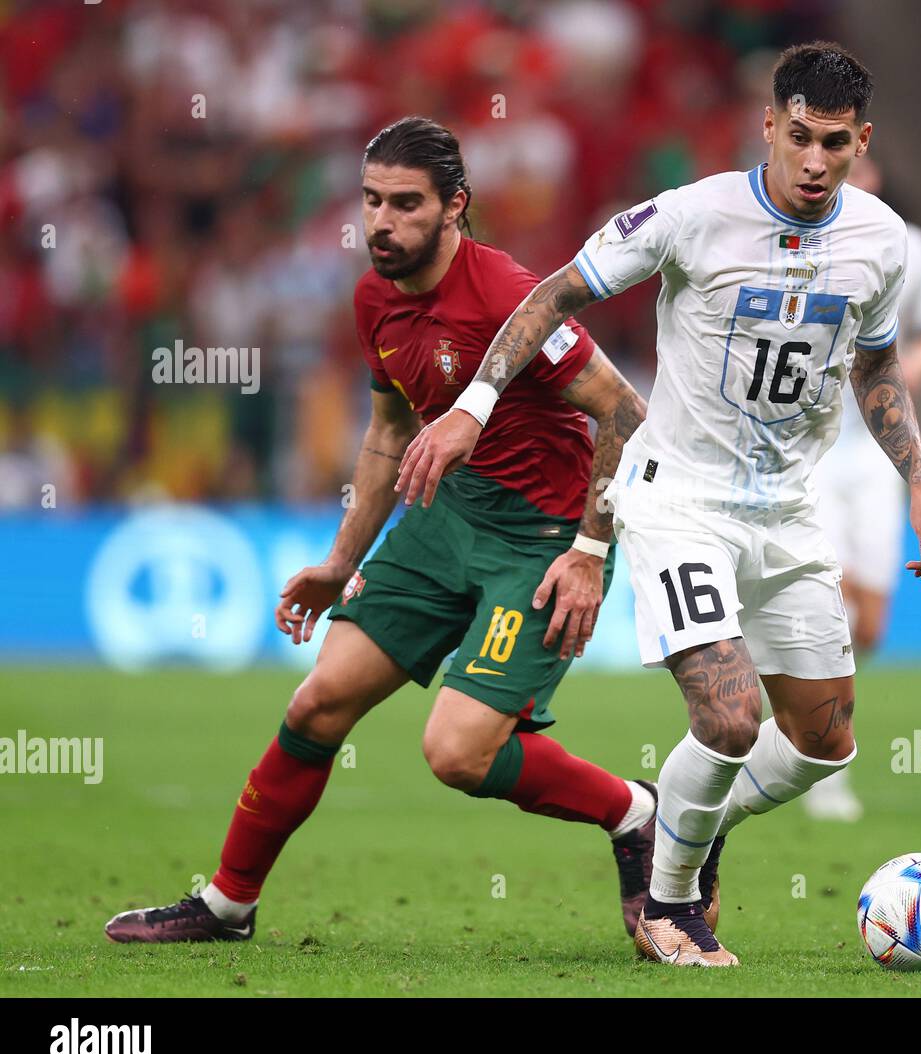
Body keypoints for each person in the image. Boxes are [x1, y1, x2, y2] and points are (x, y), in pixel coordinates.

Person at [396, 42, 921, 967]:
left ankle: (685, 825)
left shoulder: (882, 240)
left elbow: (876, 362)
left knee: (824, 745)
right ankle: (670, 903)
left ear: (864, 141)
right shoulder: (691, 217)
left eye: (837, 145)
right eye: (802, 138)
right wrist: (472, 405)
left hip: (788, 509)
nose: (816, 163)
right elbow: (552, 295)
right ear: (769, 125)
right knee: (731, 718)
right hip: (678, 500)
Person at [105, 117, 657, 944]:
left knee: (458, 753)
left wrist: (589, 551)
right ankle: (227, 906)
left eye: (405, 204)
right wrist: (339, 560)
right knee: (318, 703)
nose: (381, 223)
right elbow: (388, 433)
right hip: (445, 519)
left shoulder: (511, 297)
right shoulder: (373, 298)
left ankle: (636, 812)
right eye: (371, 202)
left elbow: (626, 411)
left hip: (543, 538)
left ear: (455, 208)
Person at [803, 153, 921, 822]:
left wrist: (912, 369)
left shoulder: (909, 247)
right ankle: (822, 764)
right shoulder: (794, 239)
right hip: (809, 449)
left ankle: (792, 705)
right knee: (825, 602)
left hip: (876, 453)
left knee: (870, 623)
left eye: (861, 171)